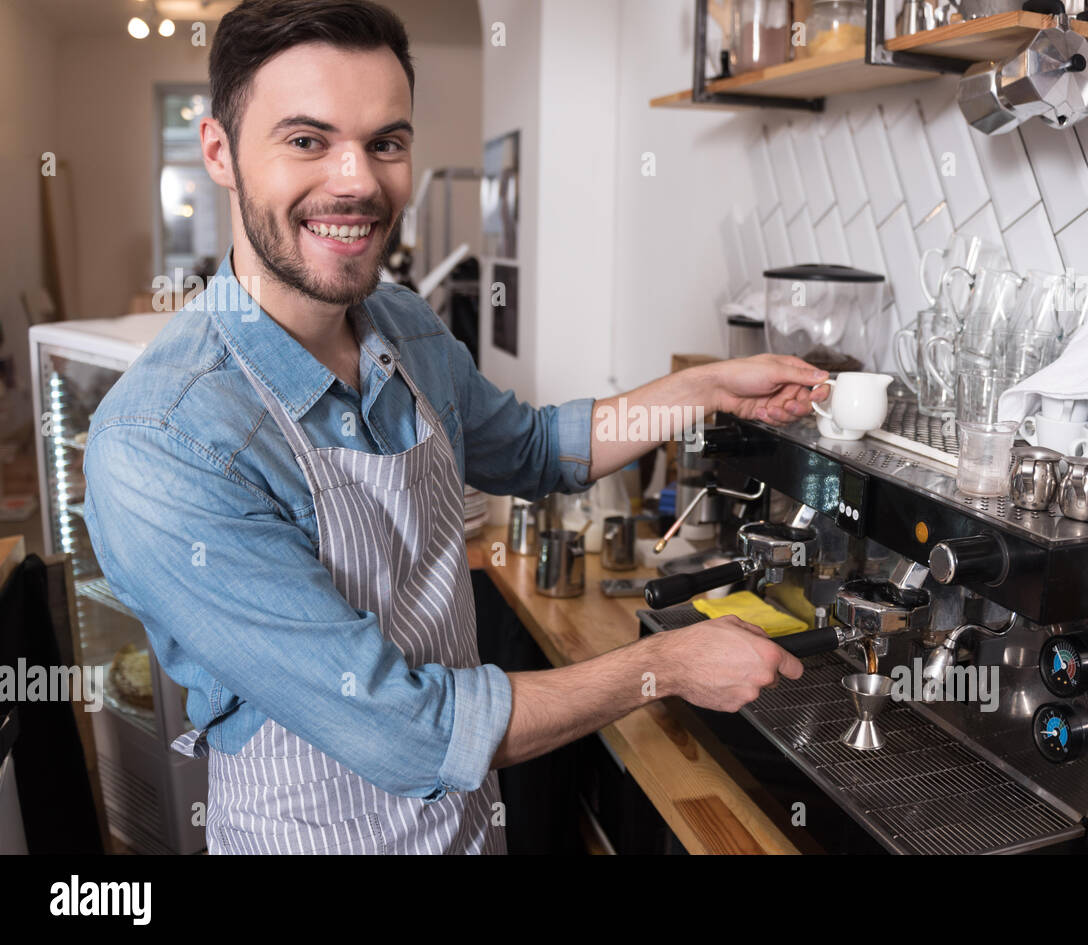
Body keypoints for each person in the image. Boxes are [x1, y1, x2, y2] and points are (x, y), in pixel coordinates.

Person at [83, 0, 828, 855]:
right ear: (219, 151)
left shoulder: (404, 325)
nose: (356, 180)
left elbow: (539, 449)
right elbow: (408, 729)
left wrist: (707, 387)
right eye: (306, 140)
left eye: (386, 142)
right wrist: (666, 664)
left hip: (469, 829)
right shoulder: (164, 441)